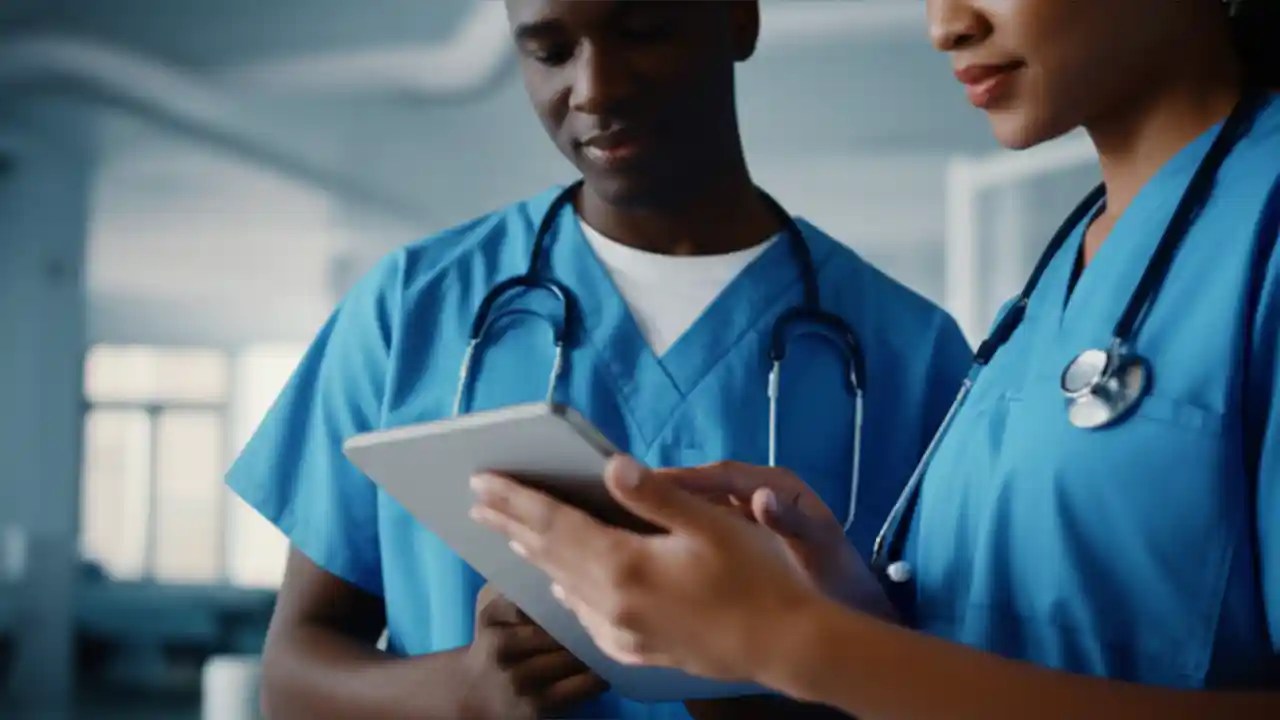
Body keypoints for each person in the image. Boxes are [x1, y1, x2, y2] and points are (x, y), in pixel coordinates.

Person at [469, 0, 1280, 717]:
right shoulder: (1065, 267)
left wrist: (796, 642)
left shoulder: (1261, 229)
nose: (944, 25)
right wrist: (837, 597)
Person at [226, 1, 971, 718]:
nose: (595, 89)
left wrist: (775, 673)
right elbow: (292, 677)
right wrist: (464, 694)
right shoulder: (411, 309)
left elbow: (970, 686)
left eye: (644, 31)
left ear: (739, 16)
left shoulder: (912, 354)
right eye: (549, 51)